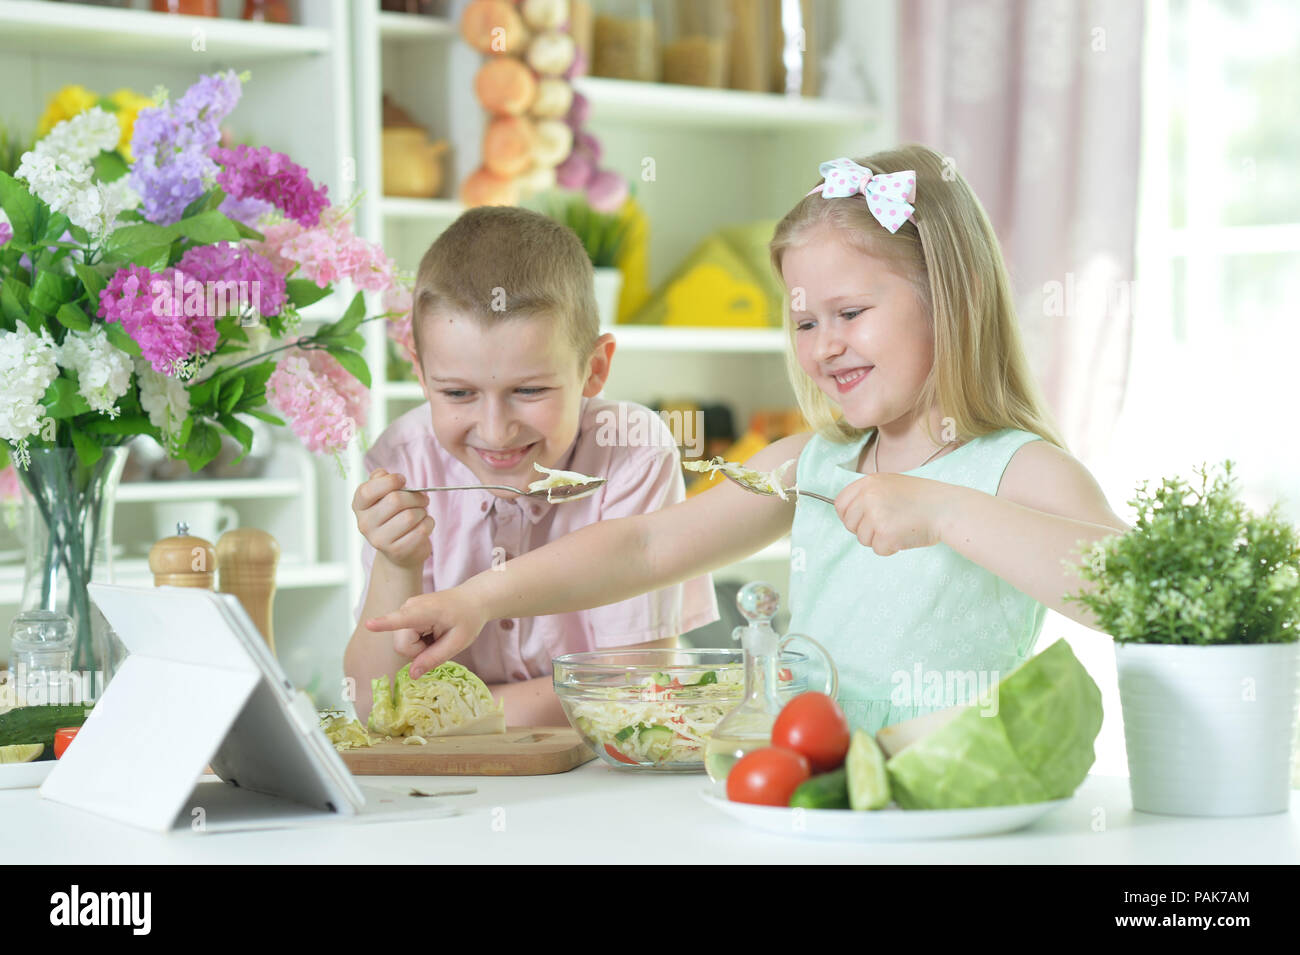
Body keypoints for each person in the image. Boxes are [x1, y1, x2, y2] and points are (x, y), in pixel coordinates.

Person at [364, 145, 1131, 734]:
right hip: (815, 790)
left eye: (850, 313)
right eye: (804, 322)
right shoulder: (813, 462)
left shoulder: (1018, 467)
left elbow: (1134, 594)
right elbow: (643, 549)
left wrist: (946, 513)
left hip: (953, 813)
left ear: (952, 299)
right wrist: (474, 597)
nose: (824, 345)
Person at [343, 206, 719, 726]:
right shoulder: (403, 460)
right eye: (458, 393)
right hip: (459, 779)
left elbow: (631, 688)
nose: (495, 431)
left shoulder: (631, 452)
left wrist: (445, 717)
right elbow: (374, 704)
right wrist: (398, 564)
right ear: (421, 373)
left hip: (596, 776)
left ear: (596, 368)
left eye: (529, 390)